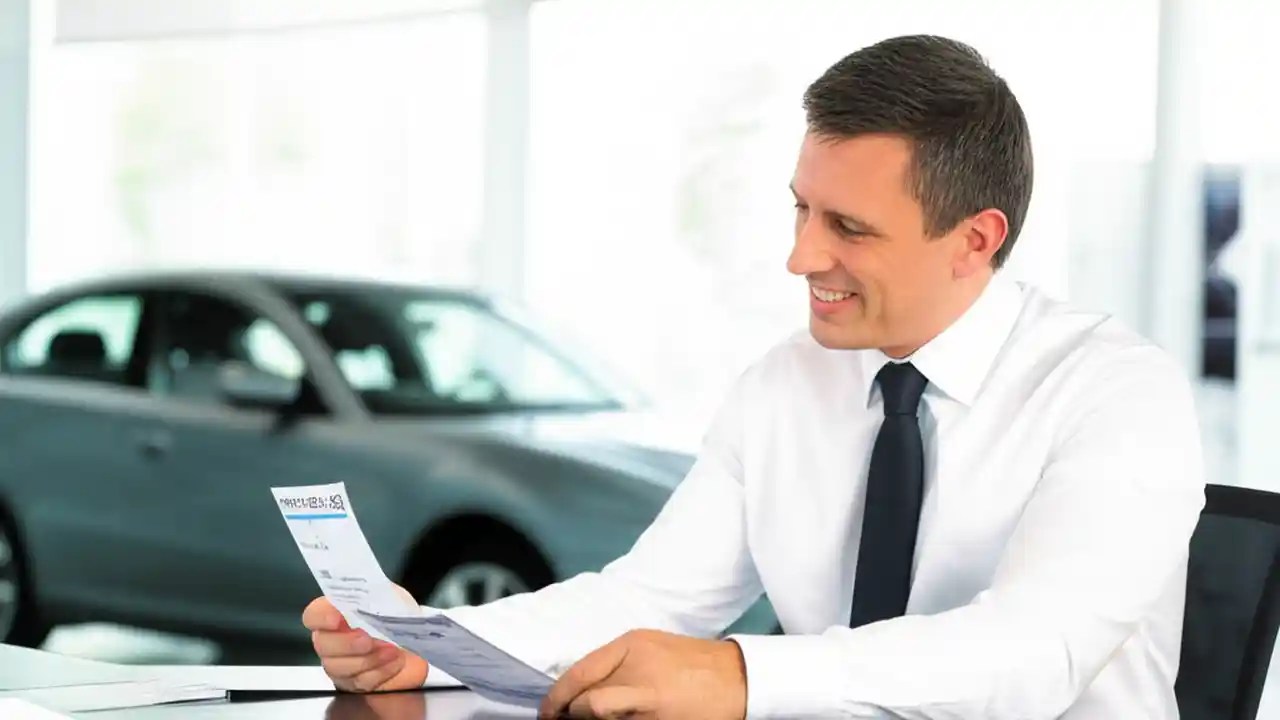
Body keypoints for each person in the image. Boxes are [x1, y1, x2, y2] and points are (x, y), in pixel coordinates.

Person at [303, 34, 1205, 719]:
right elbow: (652, 595)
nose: (800, 255)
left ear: (976, 239)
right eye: (801, 208)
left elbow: (1036, 650)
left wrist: (740, 673)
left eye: (848, 228)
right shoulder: (788, 384)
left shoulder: (1120, 397)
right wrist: (437, 646)